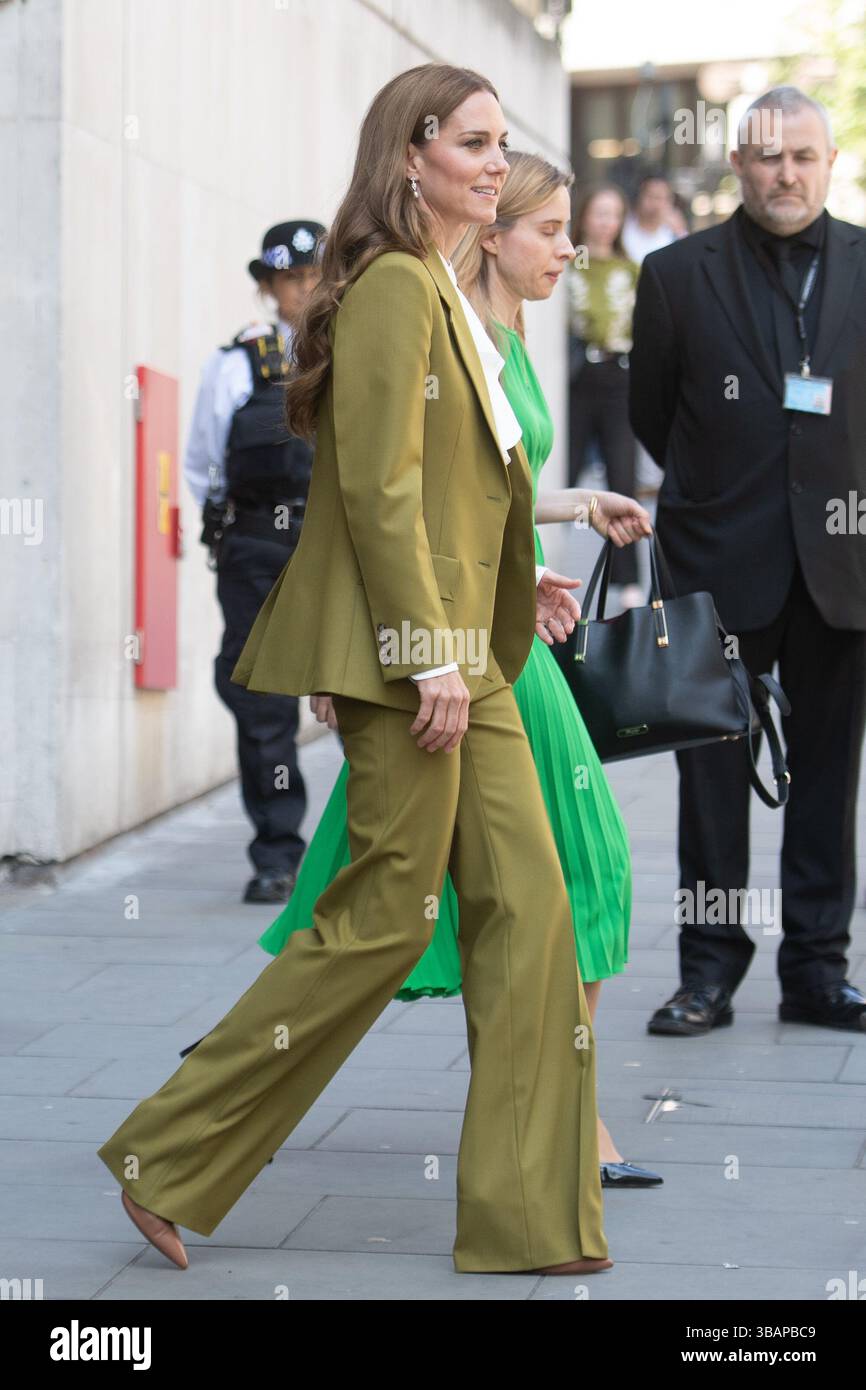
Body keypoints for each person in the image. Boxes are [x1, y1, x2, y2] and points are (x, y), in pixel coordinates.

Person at [97, 63, 615, 1277]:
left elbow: (454, 483)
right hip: (414, 662)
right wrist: (426, 645)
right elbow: (377, 490)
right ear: (412, 155)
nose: (497, 163)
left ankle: (530, 1218)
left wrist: (508, 580)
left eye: (503, 144)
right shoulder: (390, 286)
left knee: (531, 915)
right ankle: (166, 1154)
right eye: (476, 144)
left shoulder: (438, 285)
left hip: (469, 652)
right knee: (384, 917)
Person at [253, 150, 659, 1190]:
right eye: (548, 228)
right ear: (492, 231)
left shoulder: (499, 334)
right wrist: (406, 648)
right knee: (465, 893)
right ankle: (240, 1066)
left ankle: (553, 1131)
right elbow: (394, 501)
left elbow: (479, 495)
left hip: (486, 636)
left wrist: (552, 530)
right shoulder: (417, 310)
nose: (569, 247)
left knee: (521, 886)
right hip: (452, 650)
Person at [629, 86, 866, 1036]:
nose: (786, 173)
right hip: (716, 568)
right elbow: (655, 414)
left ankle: (818, 970)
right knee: (709, 785)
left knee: (828, 778)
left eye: (803, 156)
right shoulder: (677, 274)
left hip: (842, 568)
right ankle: (709, 972)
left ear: (829, 162)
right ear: (738, 164)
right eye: (768, 156)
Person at [184, 221, 325, 904]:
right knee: (261, 701)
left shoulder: (358, 350)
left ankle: (380, 852)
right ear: (269, 288)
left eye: (315, 276)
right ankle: (278, 854)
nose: (304, 289)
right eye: (291, 279)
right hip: (255, 550)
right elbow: (202, 462)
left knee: (366, 693)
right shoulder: (235, 362)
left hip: (339, 544)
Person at [567, 183, 643, 607]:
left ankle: (628, 581)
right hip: (578, 375)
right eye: (599, 212)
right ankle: (536, 566)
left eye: (614, 214)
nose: (606, 221)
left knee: (622, 476)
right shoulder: (569, 261)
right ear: (585, 216)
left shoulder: (630, 270)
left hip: (619, 375)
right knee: (563, 470)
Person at [622, 171, 678, 264]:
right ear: (639, 197)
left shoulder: (674, 237)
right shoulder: (621, 230)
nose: (655, 204)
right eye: (650, 196)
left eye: (660, 198)